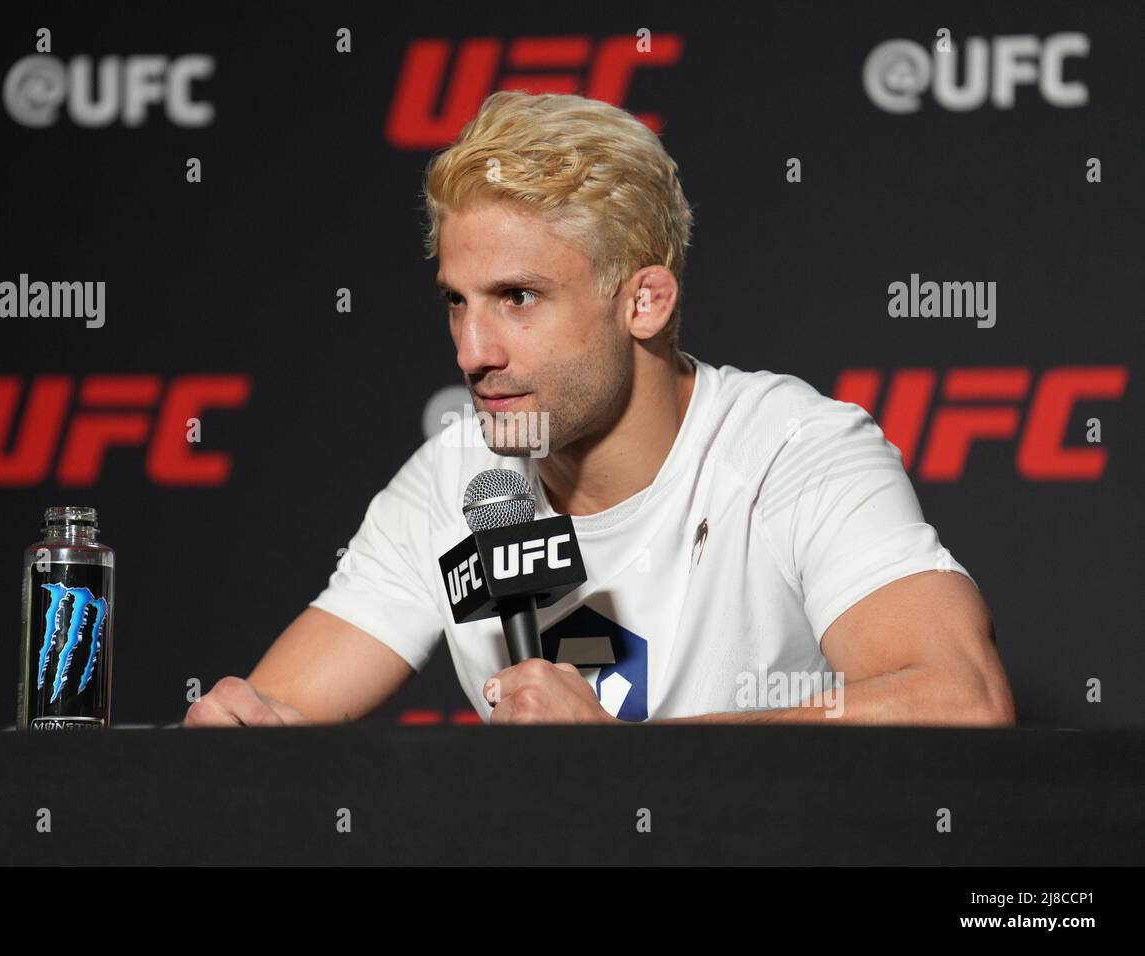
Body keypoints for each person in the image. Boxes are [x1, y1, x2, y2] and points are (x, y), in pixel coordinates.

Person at [185, 91, 1015, 728]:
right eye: (455, 302)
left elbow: (961, 699)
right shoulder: (459, 478)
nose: (474, 351)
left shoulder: (788, 450)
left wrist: (632, 763)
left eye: (518, 297)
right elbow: (275, 711)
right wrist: (242, 722)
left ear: (644, 301)